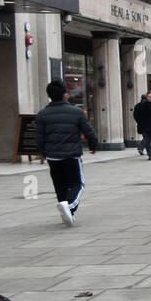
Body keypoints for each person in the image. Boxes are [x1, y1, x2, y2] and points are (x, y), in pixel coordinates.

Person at [34, 80, 98, 227]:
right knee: (77, 184)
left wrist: (43, 153)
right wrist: (93, 146)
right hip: (72, 155)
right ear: (65, 95)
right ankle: (69, 207)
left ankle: (68, 213)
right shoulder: (77, 112)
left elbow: (39, 137)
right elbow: (89, 132)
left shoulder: (42, 115)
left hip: (52, 156)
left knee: (60, 185)